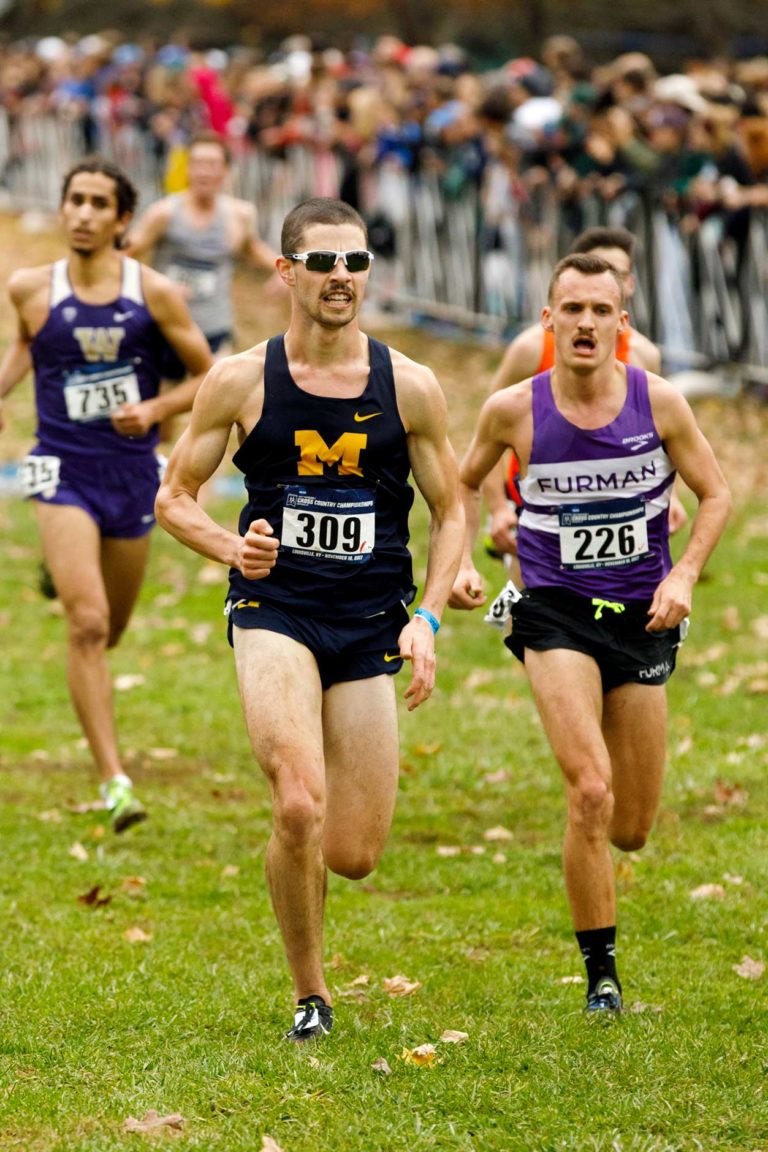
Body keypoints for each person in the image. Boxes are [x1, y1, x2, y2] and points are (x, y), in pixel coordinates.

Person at [155, 197, 464, 1041]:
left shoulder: (410, 386)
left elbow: (452, 511)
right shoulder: (241, 380)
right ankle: (312, 993)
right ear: (285, 271)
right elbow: (174, 497)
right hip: (277, 608)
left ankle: (307, 878)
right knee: (297, 803)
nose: (340, 277)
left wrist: (428, 619)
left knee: (353, 853)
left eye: (355, 262)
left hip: (369, 619)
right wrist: (233, 548)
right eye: (323, 262)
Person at [451, 253, 730, 1014]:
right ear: (549, 320)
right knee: (590, 790)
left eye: (599, 310)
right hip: (554, 611)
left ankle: (601, 869)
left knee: (632, 827)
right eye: (571, 308)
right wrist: (469, 552)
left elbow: (715, 493)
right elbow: (460, 482)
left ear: (621, 323)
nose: (585, 322)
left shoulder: (659, 401)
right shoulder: (512, 409)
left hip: (641, 615)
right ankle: (601, 975)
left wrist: (684, 575)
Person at [0, 156, 213, 832]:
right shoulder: (30, 287)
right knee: (87, 624)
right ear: (64, 208)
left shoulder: (156, 294)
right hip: (56, 466)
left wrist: (154, 410)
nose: (84, 214)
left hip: (132, 472)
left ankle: (64, 573)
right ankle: (115, 781)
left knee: (111, 629)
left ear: (123, 219)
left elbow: (208, 377)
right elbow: (28, 346)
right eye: (76, 200)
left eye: (99, 204)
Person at [482, 226, 686, 584]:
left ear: (629, 284)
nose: (601, 279)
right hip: (535, 494)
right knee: (534, 598)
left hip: (614, 499)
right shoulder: (532, 348)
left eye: (616, 273)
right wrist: (498, 507)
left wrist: (674, 496)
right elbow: (491, 429)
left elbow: (666, 436)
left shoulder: (644, 355)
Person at [124, 129, 282, 369]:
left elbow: (251, 248)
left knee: (218, 386)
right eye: (197, 164)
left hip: (215, 327)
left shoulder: (239, 215)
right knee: (170, 391)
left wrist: (284, 268)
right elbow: (123, 255)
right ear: (187, 169)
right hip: (168, 328)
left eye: (212, 164)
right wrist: (156, 286)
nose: (203, 172)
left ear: (226, 171)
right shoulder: (163, 213)